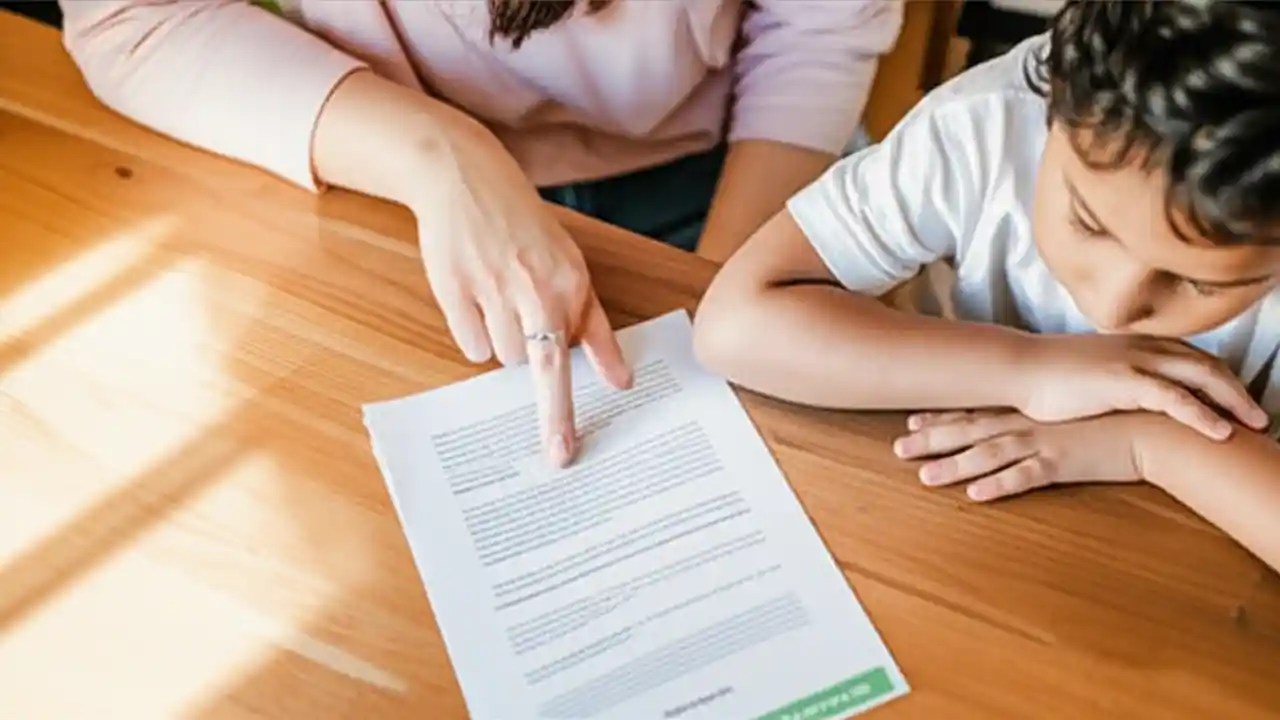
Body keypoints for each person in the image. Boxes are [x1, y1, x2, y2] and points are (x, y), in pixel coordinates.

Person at [57, 0, 903, 466]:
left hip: (722, 165)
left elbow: (817, 31)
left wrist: (718, 289)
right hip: (365, 155)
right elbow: (132, 19)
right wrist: (443, 158)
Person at [693, 0, 1280, 571]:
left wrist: (1151, 442)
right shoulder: (986, 126)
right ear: (1055, 97)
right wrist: (1029, 370)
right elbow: (734, 324)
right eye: (1088, 221)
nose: (1114, 307)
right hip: (951, 525)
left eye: (1197, 283)